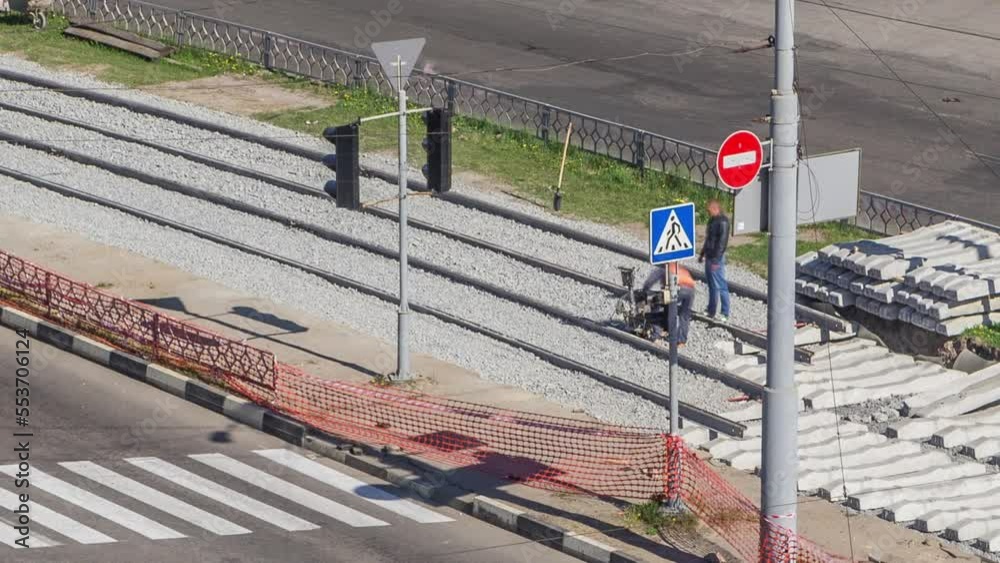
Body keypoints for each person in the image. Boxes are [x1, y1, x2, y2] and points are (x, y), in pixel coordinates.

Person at [640, 263, 696, 347]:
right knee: (684, 315)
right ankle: (681, 341)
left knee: (657, 306)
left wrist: (644, 290)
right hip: (691, 290)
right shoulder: (677, 266)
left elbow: (651, 280)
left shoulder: (664, 268)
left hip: (679, 288)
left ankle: (657, 335)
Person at [699, 199, 731, 323]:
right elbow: (708, 239)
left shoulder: (723, 222)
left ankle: (725, 312)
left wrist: (716, 260)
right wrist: (702, 254)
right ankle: (711, 310)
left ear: (715, 208)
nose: (708, 213)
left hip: (716, 258)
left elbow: (722, 243)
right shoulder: (712, 220)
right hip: (709, 255)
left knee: (720, 285)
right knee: (711, 285)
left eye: (709, 210)